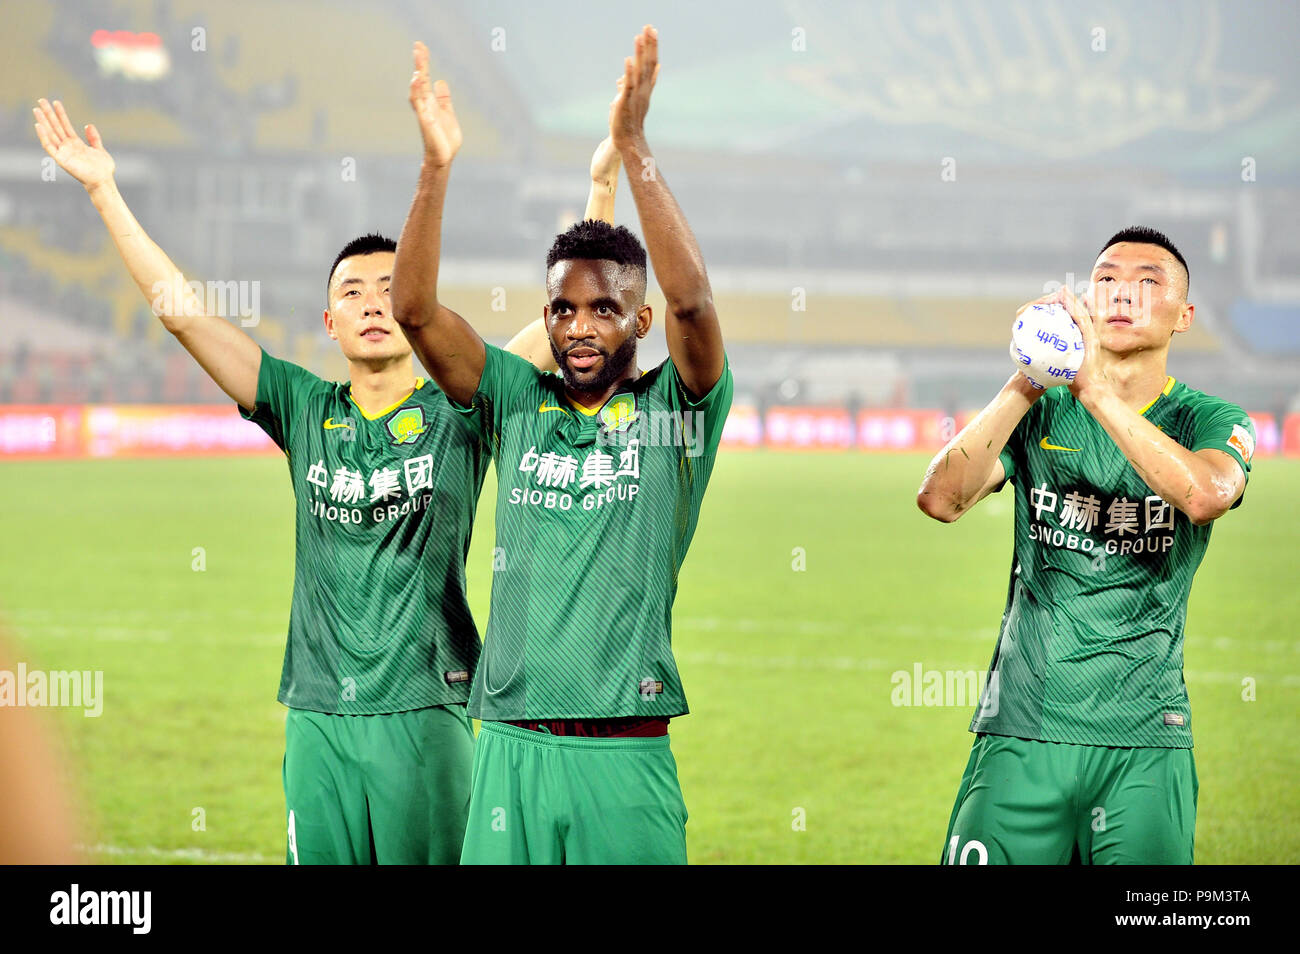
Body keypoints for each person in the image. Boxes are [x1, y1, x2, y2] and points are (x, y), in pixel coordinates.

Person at [33, 96, 622, 864]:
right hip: (315, 716)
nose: (373, 302)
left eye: (389, 288)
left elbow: (559, 327)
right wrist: (104, 191)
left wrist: (601, 189)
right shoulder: (303, 408)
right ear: (329, 323)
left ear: (413, 312)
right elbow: (183, 316)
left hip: (428, 711)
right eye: (352, 292)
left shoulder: (461, 407)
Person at [390, 25, 732, 864]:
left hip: (625, 752)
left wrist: (634, 148)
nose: (579, 328)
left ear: (637, 320)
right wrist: (435, 171)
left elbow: (693, 306)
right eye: (562, 310)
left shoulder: (675, 414)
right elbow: (417, 313)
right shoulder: (515, 397)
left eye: (604, 309)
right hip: (509, 748)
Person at [917, 226, 1256, 864]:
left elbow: (1206, 493)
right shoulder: (1039, 412)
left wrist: (1095, 390)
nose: (1122, 293)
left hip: (1145, 741)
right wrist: (1026, 380)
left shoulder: (1210, 418)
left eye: (1148, 282)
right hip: (1023, 730)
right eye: (1105, 280)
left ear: (1184, 317)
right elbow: (941, 498)